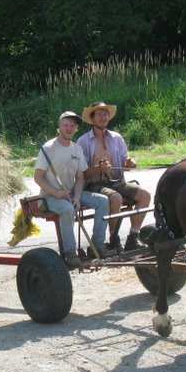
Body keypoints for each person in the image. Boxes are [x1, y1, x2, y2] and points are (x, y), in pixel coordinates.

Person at [34, 111, 116, 268]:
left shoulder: (77, 149)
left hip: (71, 193)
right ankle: (70, 254)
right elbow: (38, 177)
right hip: (49, 196)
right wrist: (56, 193)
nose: (69, 128)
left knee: (103, 201)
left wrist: (77, 197)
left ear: (76, 128)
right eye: (66, 125)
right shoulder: (48, 148)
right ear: (59, 127)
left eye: (73, 125)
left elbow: (80, 177)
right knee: (67, 209)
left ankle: (97, 245)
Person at [78, 101, 152, 252]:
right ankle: (114, 238)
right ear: (92, 119)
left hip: (116, 182)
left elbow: (126, 161)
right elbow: (82, 173)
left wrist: (130, 163)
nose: (103, 117)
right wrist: (98, 168)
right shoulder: (83, 141)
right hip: (94, 185)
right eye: (99, 114)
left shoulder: (116, 137)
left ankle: (133, 237)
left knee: (145, 195)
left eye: (105, 114)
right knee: (116, 197)